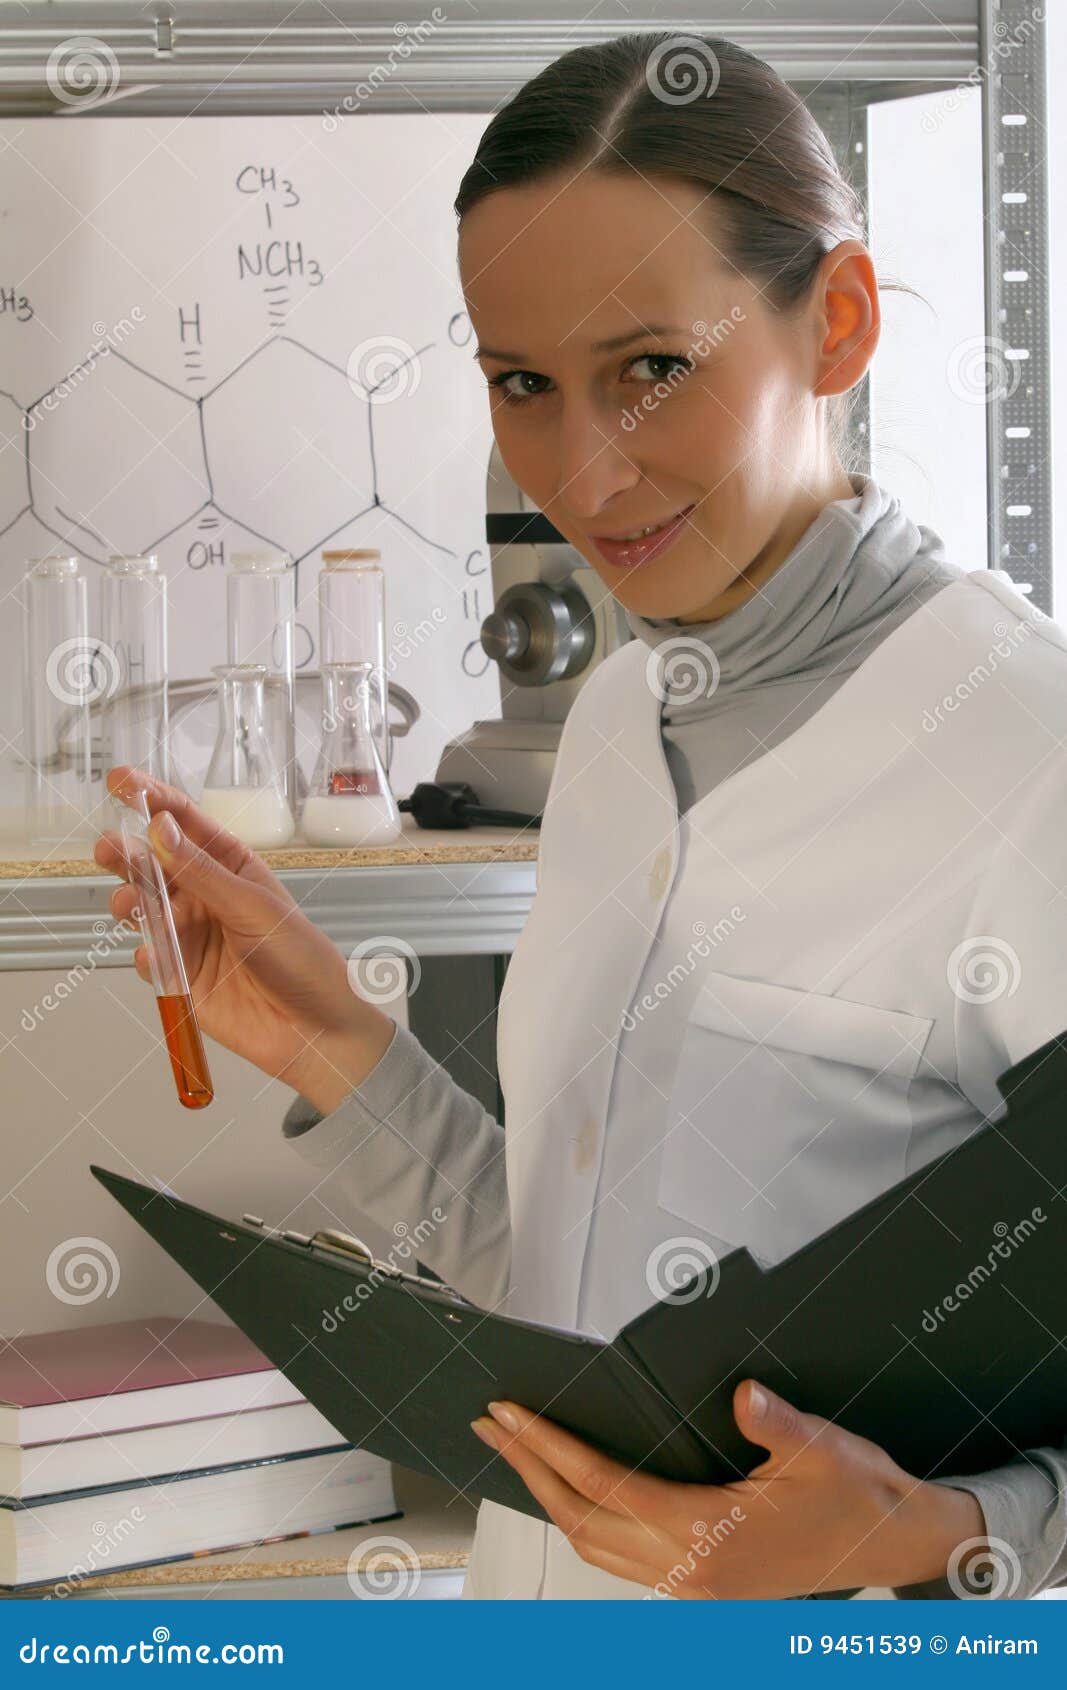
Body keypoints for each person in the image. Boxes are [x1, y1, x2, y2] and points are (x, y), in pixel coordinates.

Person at [95, 33, 1067, 1601]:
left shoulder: (1029, 755)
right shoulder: (622, 718)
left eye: (651, 369)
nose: (581, 468)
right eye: (524, 386)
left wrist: (948, 1537)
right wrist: (345, 1053)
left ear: (840, 321)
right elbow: (595, 1321)